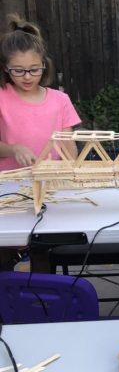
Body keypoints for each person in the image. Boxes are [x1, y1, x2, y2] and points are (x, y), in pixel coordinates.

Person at [0, 15, 80, 271]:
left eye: (34, 69)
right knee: (5, 252)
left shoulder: (59, 100)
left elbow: (69, 147)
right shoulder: (2, 97)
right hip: (8, 191)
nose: (27, 77)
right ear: (5, 68)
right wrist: (13, 149)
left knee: (42, 250)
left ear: (44, 65)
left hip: (50, 190)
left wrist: (72, 167)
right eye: (18, 70)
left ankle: (43, 302)